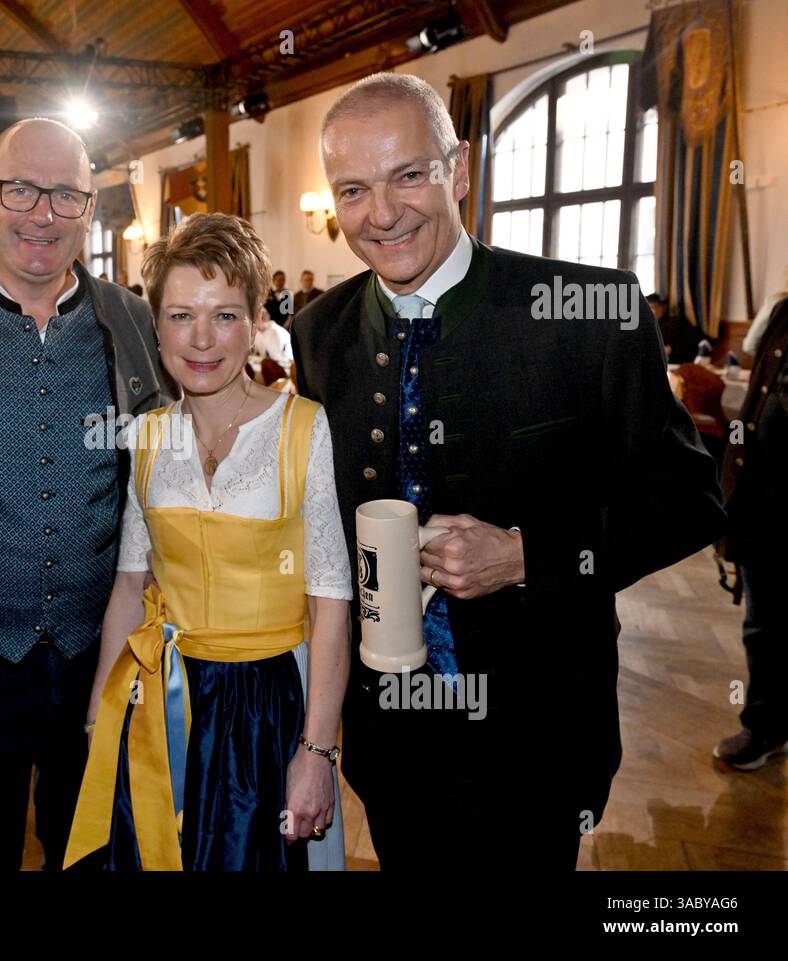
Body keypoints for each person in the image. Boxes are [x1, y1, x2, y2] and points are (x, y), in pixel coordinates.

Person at [291, 73, 725, 870]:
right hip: (390, 735)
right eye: (353, 190)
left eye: (407, 175)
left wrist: (528, 554)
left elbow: (690, 500)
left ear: (457, 170)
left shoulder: (590, 312)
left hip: (540, 734)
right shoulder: (317, 334)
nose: (381, 214)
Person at [0, 118, 175, 870]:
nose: (42, 215)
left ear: (91, 209)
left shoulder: (134, 320)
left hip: (99, 650)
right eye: (21, 189)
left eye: (66, 195)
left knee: (86, 846)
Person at [65, 213, 352, 871]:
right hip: (160, 703)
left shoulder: (305, 429)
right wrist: (95, 726)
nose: (200, 339)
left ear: (257, 320)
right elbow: (130, 590)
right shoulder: (145, 436)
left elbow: (332, 603)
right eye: (179, 315)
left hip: (269, 707)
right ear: (156, 325)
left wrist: (318, 751)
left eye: (224, 315)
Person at [714, 295, 788, 769]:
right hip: (768, 506)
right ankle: (766, 727)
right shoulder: (784, 313)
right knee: (765, 627)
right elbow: (754, 408)